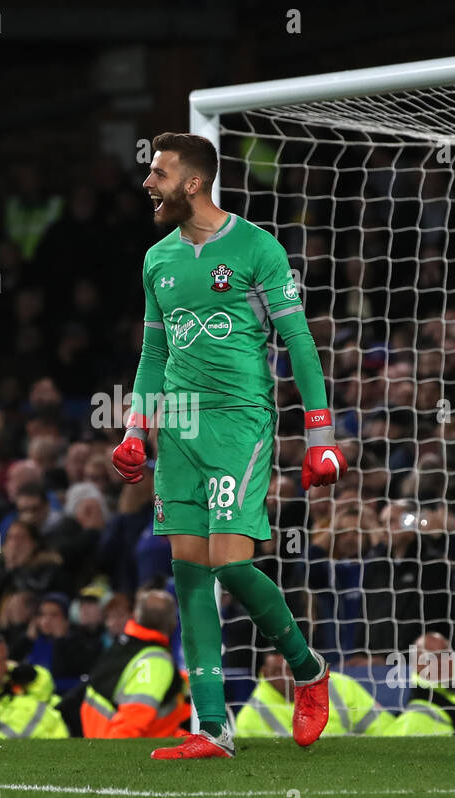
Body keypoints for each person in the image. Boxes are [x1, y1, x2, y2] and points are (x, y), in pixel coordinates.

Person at [113, 132, 344, 759]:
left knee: (231, 565)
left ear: (193, 182)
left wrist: (319, 436)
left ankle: (307, 668)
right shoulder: (157, 259)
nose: (148, 183)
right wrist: (137, 430)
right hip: (178, 433)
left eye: (159, 173)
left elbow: (298, 341)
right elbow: (154, 353)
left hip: (240, 424)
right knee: (189, 574)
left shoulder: (257, 248)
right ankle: (211, 727)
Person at [81, 589, 191, 740]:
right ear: (173, 622)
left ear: (136, 615)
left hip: (98, 736)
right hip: (118, 746)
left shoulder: (123, 645)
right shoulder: (156, 662)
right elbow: (132, 723)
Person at [236, 651, 393, 738]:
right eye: (277, 671)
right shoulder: (250, 717)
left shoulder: (340, 685)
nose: (286, 677)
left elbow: (384, 729)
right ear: (264, 673)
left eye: (291, 669)